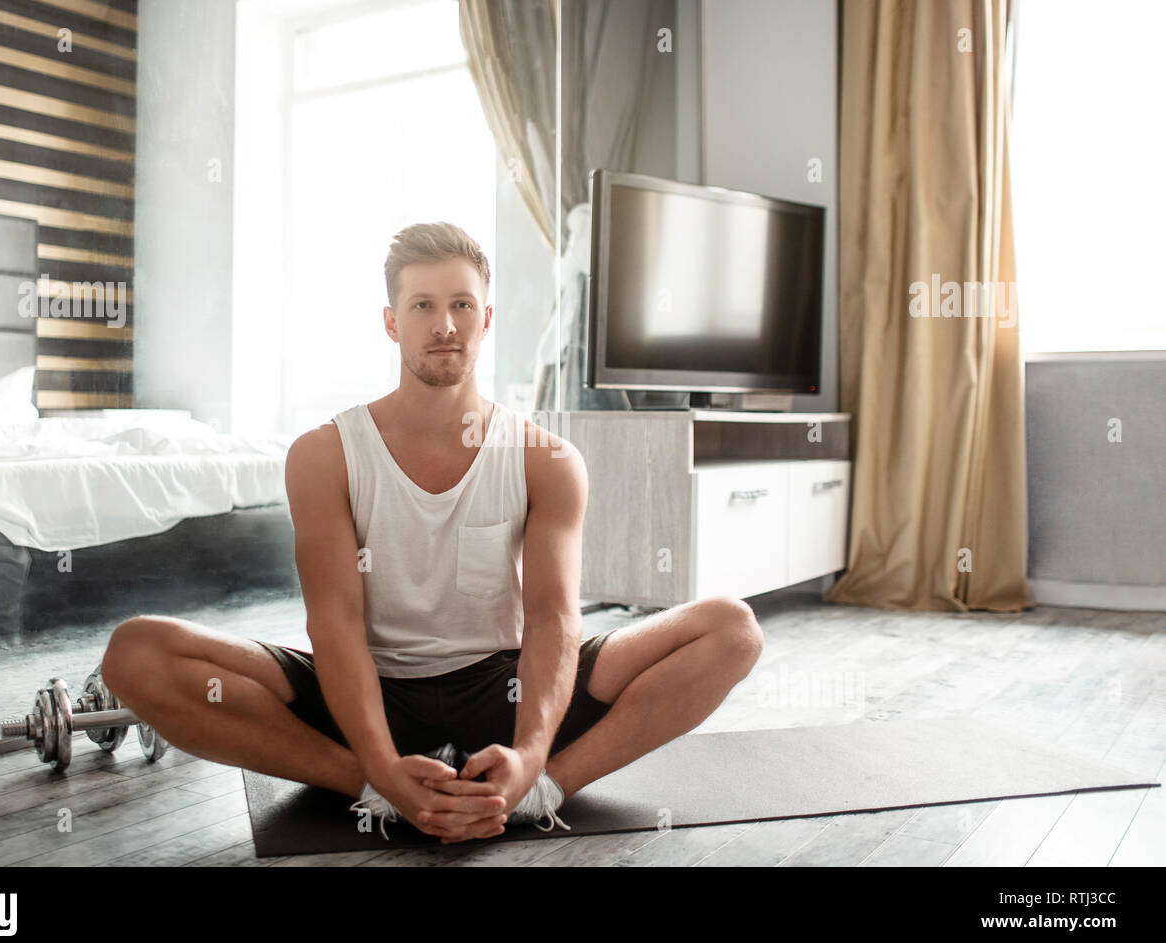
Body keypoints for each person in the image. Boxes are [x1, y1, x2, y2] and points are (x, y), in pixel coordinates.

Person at [101, 222, 765, 845]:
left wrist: (533, 755)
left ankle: (539, 791)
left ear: (486, 319)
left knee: (731, 629)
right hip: (368, 693)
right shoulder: (324, 454)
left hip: (504, 688)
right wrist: (379, 764)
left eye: (461, 305)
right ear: (392, 322)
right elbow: (334, 622)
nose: (444, 325)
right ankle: (373, 789)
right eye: (422, 305)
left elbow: (553, 618)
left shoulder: (547, 460)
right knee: (136, 653)